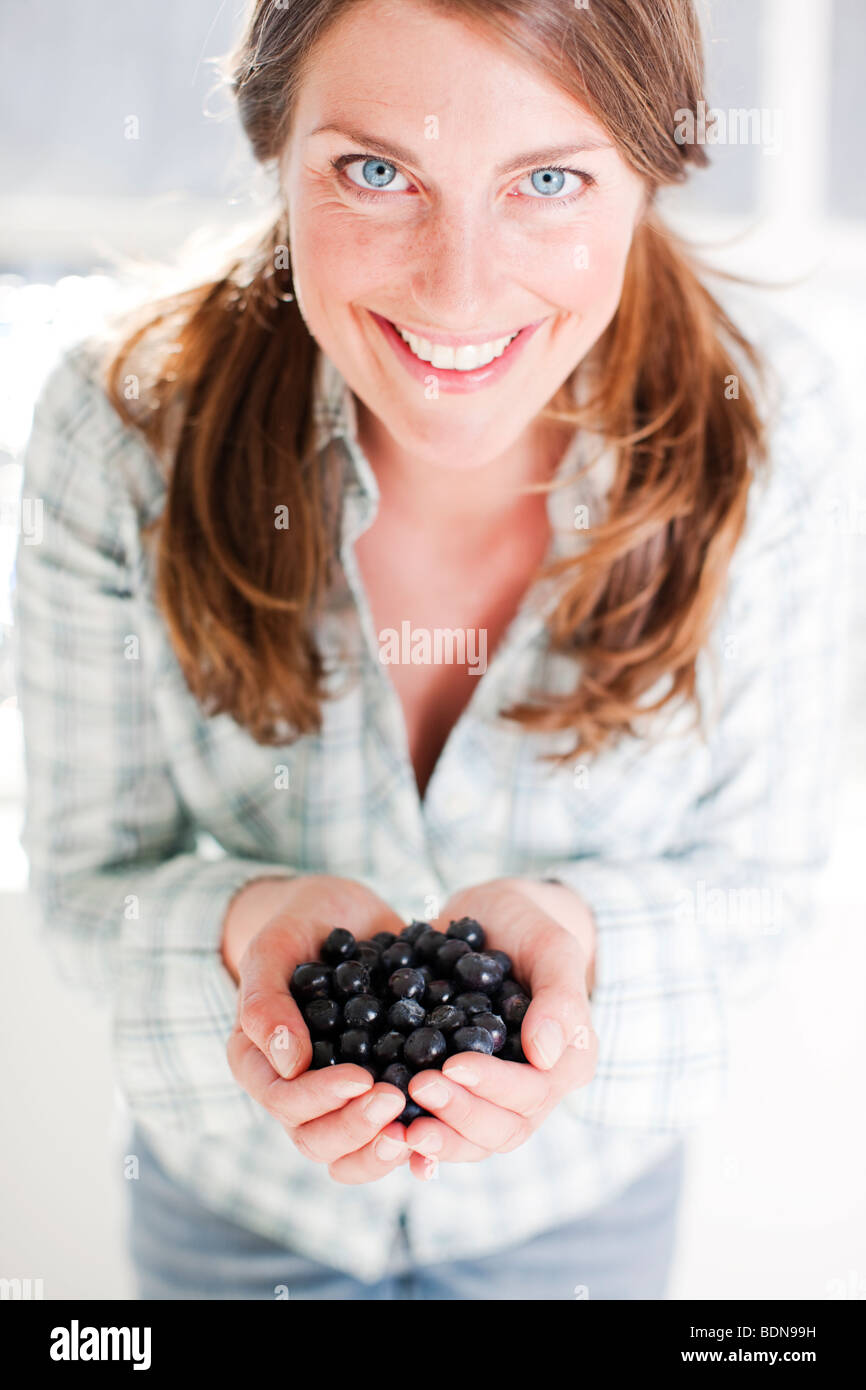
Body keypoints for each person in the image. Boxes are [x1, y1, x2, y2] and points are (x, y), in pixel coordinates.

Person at [13, 0, 848, 1300]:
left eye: (552, 178)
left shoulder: (774, 431)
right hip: (234, 1213)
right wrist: (245, 931)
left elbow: (764, 877)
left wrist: (575, 932)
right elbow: (85, 878)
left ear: (651, 170)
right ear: (273, 145)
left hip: (574, 1215)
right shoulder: (118, 428)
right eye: (376, 170)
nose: (459, 290)